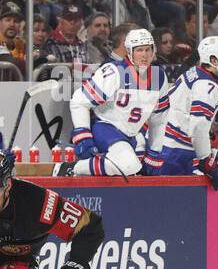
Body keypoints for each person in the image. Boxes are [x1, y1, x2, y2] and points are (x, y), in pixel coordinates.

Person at [58, 28, 171, 179]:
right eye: (139, 50)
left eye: (147, 49)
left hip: (133, 134)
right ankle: (72, 168)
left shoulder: (160, 77)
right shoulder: (115, 71)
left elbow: (159, 119)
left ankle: (93, 168)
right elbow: (79, 100)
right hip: (106, 127)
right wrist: (82, 135)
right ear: (129, 52)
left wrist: (154, 152)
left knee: (139, 168)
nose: (144, 55)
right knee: (130, 165)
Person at [144, 36, 218, 190]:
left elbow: (184, 106)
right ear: (214, 60)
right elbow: (198, 127)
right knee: (172, 208)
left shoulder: (193, 72)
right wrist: (206, 161)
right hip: (174, 154)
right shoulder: (207, 85)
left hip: (161, 147)